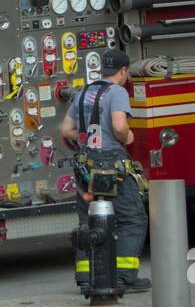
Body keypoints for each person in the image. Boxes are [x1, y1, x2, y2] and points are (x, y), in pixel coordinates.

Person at [59, 48, 150, 293]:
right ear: (122, 71)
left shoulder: (84, 92)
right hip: (111, 165)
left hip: (84, 166)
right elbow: (120, 125)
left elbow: (66, 129)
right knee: (132, 219)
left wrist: (84, 142)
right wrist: (127, 136)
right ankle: (124, 276)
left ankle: (86, 277)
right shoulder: (118, 92)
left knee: (88, 220)